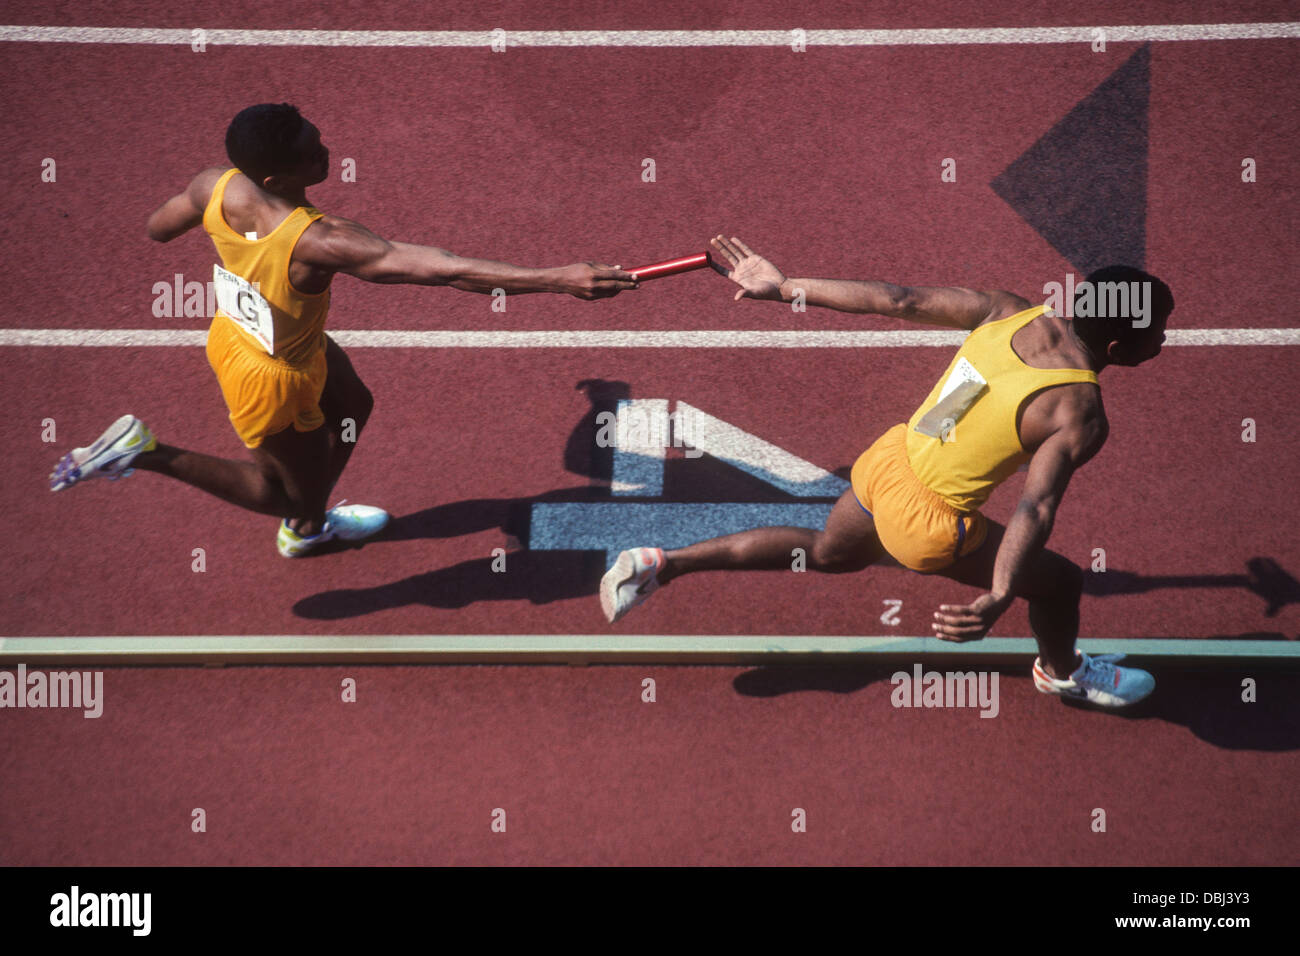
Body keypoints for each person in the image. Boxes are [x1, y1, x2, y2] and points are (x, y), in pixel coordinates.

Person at [601, 235, 1174, 708]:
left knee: (828, 551)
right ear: (1120, 347)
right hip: (928, 523)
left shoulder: (1008, 310)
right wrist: (1001, 592)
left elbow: (895, 299)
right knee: (1060, 584)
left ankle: (663, 564)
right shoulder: (1080, 411)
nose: (1165, 337)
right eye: (1158, 331)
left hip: (888, 463)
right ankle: (1061, 669)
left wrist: (784, 289)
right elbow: (1036, 507)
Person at [50, 103, 638, 557]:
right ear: (280, 176)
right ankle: (160, 459)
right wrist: (559, 278)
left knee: (355, 402)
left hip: (255, 334)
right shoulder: (320, 240)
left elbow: (158, 229)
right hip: (270, 378)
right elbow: (448, 271)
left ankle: (308, 509)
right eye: (314, 152)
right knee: (287, 493)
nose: (327, 150)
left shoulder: (216, 185)